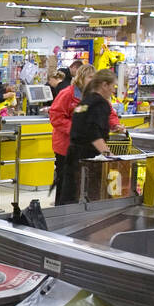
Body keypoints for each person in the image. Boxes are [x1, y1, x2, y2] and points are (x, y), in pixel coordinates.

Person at [51, 64, 120, 204]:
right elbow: (92, 132)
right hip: (77, 152)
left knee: (69, 192)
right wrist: (109, 156)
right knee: (78, 191)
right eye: (113, 86)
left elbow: (107, 117)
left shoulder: (87, 100)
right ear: (104, 85)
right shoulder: (93, 101)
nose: (114, 90)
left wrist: (114, 124)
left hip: (74, 152)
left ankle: (61, 216)